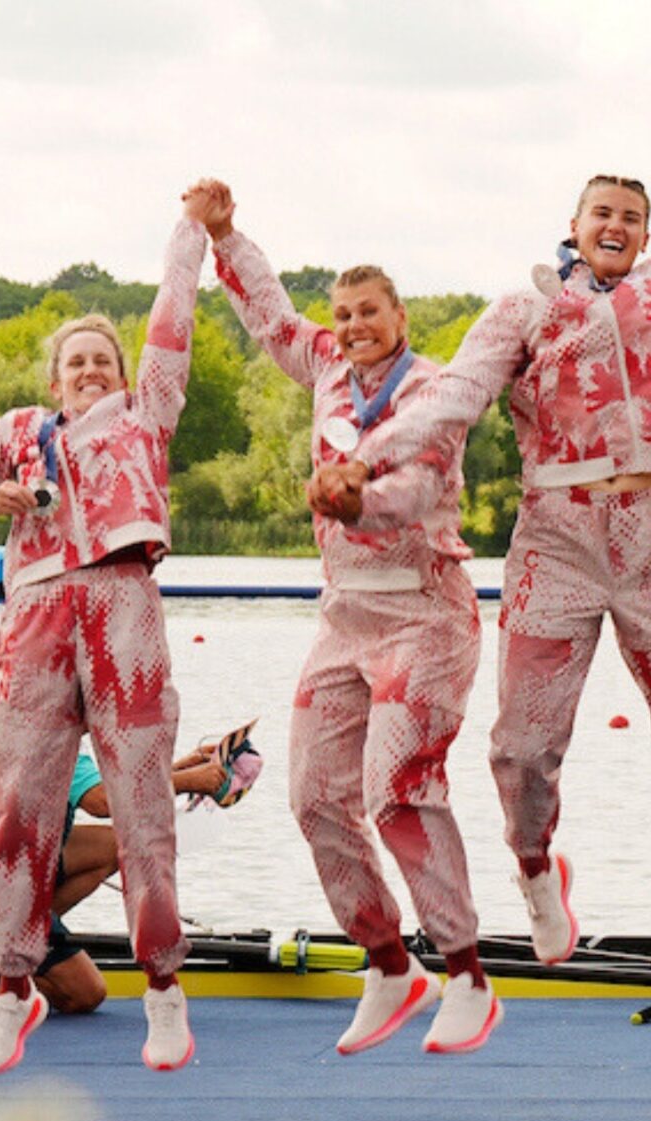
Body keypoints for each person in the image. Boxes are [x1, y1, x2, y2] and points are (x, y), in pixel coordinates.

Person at [325, 23, 651, 965]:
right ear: (573, 227)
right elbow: (456, 393)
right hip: (556, 542)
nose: (615, 225)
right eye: (599, 213)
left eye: (630, 214)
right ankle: (536, 865)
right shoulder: (527, 308)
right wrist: (374, 460)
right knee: (522, 748)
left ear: (647, 235)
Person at [0, 185, 216, 1075]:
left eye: (102, 361)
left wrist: (192, 230)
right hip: (37, 615)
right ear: (53, 380)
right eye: (75, 361)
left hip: (123, 609)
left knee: (144, 809)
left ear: (123, 376)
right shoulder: (17, 434)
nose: (90, 370)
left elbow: (171, 319)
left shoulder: (145, 421)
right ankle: (10, 988)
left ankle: (164, 988)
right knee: (18, 816)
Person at [206, 184, 499, 1056]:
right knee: (314, 797)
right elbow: (267, 318)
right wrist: (227, 234)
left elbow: (422, 487)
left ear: (399, 315)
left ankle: (468, 974)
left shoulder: (434, 391)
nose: (353, 324)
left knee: (395, 789)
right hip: (345, 620)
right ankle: (385, 961)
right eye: (342, 313)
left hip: (424, 616)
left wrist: (357, 500)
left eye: (368, 311)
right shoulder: (327, 367)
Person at [0, 732, 256, 1016]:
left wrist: (186, 769)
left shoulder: (43, 728)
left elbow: (109, 791)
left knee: (119, 845)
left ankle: (25, 938)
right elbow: (103, 803)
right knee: (84, 995)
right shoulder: (44, 743)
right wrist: (189, 780)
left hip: (14, 862)